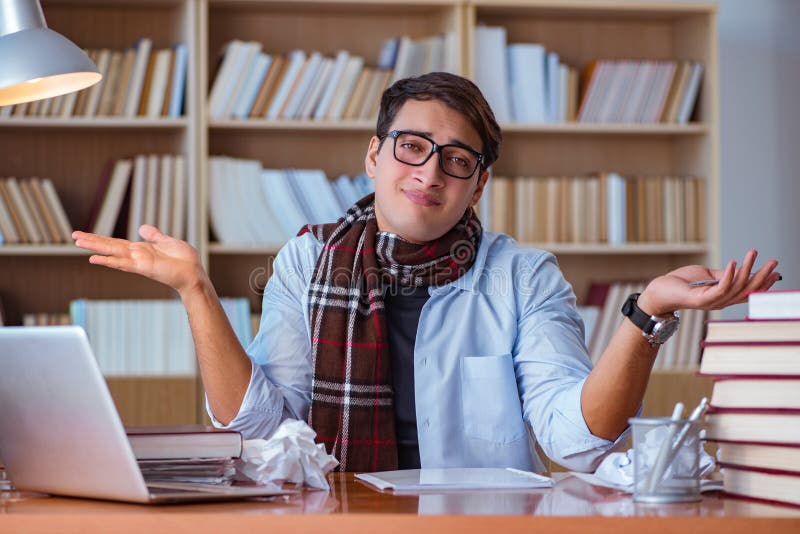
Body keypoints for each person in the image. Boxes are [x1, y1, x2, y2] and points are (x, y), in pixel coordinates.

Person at [73, 72, 780, 474]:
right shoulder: (309, 259)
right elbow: (260, 421)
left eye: (457, 158)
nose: (429, 171)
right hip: (330, 515)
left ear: (477, 185)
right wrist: (196, 290)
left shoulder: (523, 276)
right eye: (412, 147)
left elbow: (576, 436)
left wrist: (647, 313)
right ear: (374, 157)